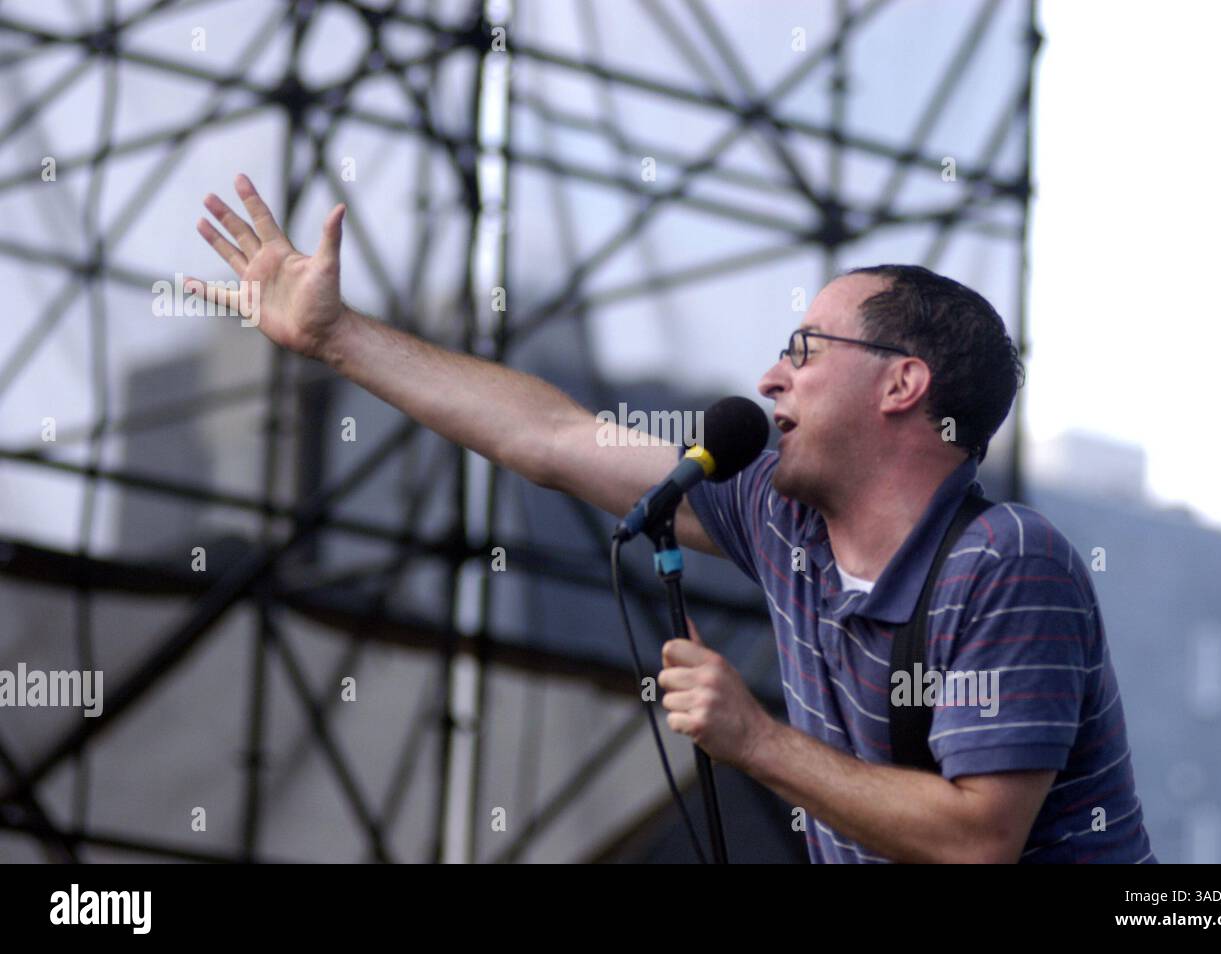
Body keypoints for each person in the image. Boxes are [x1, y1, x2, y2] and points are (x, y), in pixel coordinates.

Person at [187, 174, 1155, 863]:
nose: (770, 377)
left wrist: (755, 740)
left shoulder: (1005, 561)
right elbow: (552, 437)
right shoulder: (781, 517)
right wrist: (337, 337)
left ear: (902, 384)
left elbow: (977, 839)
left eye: (804, 350)